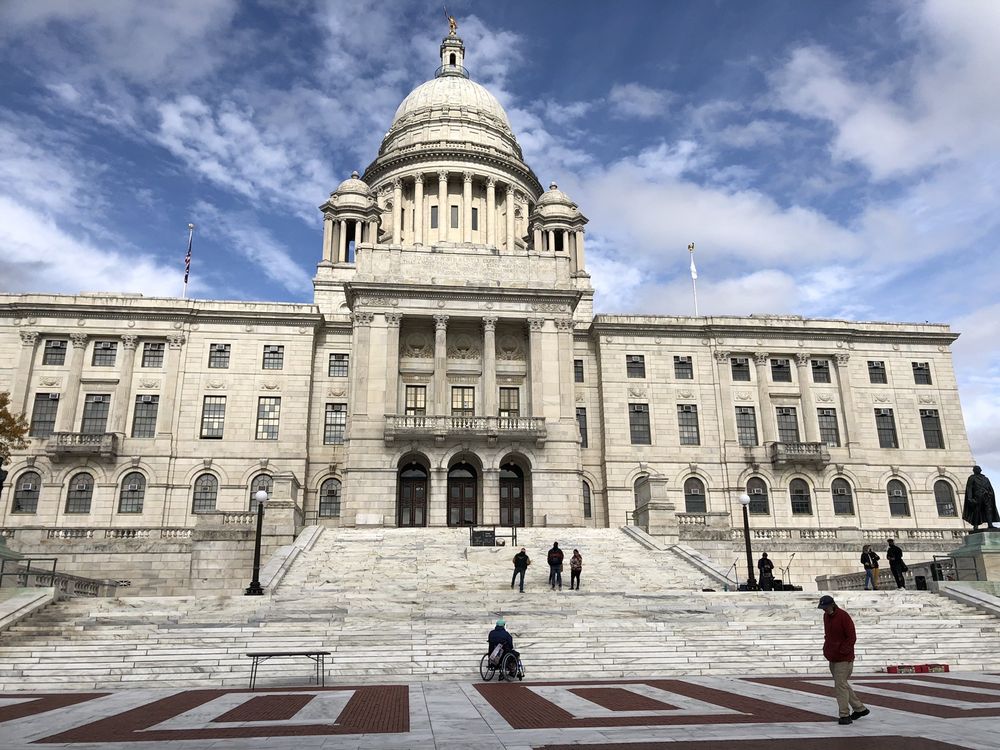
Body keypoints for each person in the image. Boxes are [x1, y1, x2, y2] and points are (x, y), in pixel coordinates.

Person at [818, 595, 870, 725]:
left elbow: (851, 637)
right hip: (832, 656)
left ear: (832, 605)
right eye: (822, 607)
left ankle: (844, 715)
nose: (824, 609)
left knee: (840, 685)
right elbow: (828, 635)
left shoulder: (843, 616)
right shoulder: (826, 616)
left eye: (825, 607)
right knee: (842, 684)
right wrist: (827, 649)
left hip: (844, 658)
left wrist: (842, 651)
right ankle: (860, 709)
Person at [963, 466, 999, 531]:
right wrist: (970, 498)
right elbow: (969, 488)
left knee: (988, 510)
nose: (977, 470)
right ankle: (975, 525)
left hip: (986, 497)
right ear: (974, 471)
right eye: (976, 469)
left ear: (980, 470)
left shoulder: (985, 478)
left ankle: (990, 524)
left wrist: (989, 494)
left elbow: (990, 488)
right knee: (976, 511)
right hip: (977, 497)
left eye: (978, 469)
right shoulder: (972, 478)